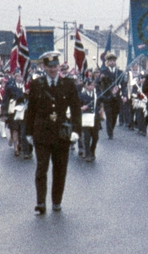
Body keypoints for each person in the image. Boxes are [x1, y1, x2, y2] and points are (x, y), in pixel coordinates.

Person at [24, 51, 81, 213]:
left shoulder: (68, 84)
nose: (53, 70)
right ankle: (40, 202)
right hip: (41, 133)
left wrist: (76, 130)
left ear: (59, 67)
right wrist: (28, 132)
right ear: (44, 67)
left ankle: (57, 200)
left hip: (62, 134)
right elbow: (31, 110)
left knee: (60, 169)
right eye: (49, 67)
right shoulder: (37, 84)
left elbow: (76, 109)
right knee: (41, 168)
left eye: (55, 66)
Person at [97, 53, 124, 140]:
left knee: (115, 115)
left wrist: (124, 95)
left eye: (113, 61)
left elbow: (124, 84)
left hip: (116, 97)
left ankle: (111, 128)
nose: (112, 62)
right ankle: (110, 133)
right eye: (110, 61)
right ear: (107, 62)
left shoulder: (119, 72)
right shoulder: (103, 72)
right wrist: (101, 78)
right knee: (109, 115)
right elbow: (98, 83)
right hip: (107, 97)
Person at [78, 76, 101, 162]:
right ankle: (87, 153)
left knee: (95, 137)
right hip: (85, 119)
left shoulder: (97, 95)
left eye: (92, 85)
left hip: (95, 119)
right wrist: (81, 107)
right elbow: (76, 106)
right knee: (86, 137)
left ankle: (92, 150)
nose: (91, 87)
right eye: (89, 85)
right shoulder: (81, 95)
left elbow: (103, 101)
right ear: (85, 86)